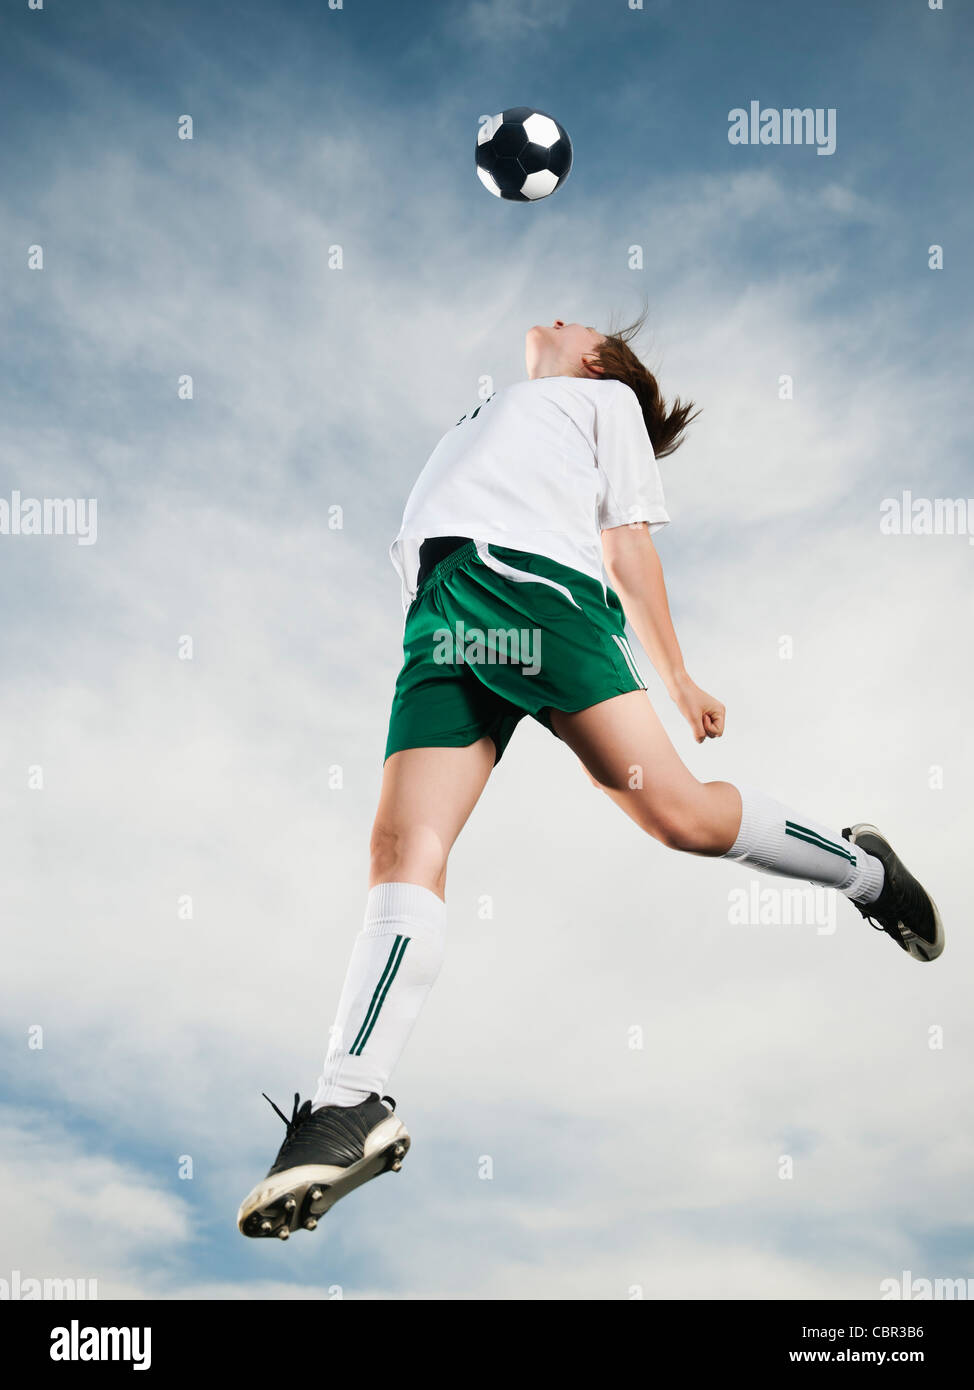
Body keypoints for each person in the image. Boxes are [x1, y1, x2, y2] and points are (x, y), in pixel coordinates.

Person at [237, 313, 943, 1241]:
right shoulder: (498, 410)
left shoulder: (602, 400)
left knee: (681, 815)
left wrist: (677, 677)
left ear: (601, 361)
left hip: (527, 589)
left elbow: (627, 545)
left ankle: (867, 873)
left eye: (581, 325)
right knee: (403, 847)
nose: (560, 320)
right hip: (442, 616)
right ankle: (347, 1102)